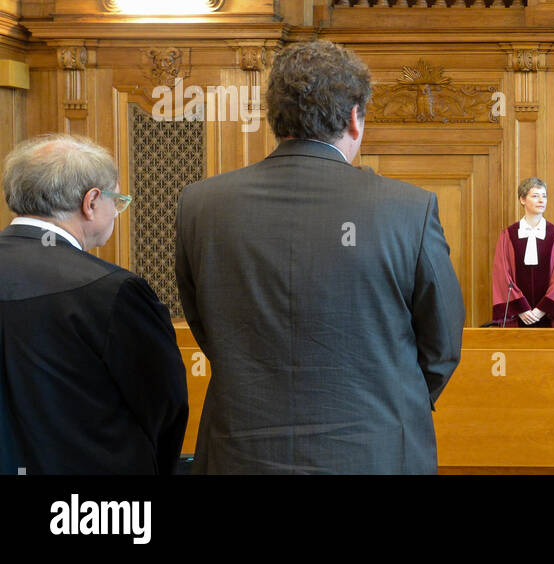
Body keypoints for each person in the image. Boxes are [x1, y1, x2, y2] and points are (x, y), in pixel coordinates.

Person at [175, 40, 465, 474]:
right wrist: (389, 403)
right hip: (376, 451)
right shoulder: (409, 208)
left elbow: (205, 326)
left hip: (243, 451)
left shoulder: (201, 205)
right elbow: (442, 343)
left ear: (275, 117)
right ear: (354, 118)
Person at [0, 134, 187, 474]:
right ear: (91, 202)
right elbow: (166, 406)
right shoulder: (114, 290)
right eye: (117, 201)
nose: (117, 213)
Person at [491, 177, 554, 328]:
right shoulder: (508, 235)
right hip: (518, 316)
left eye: (544, 196)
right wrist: (520, 308)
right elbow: (502, 274)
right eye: (535, 196)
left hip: (548, 315)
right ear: (522, 199)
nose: (541, 200)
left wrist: (542, 309)